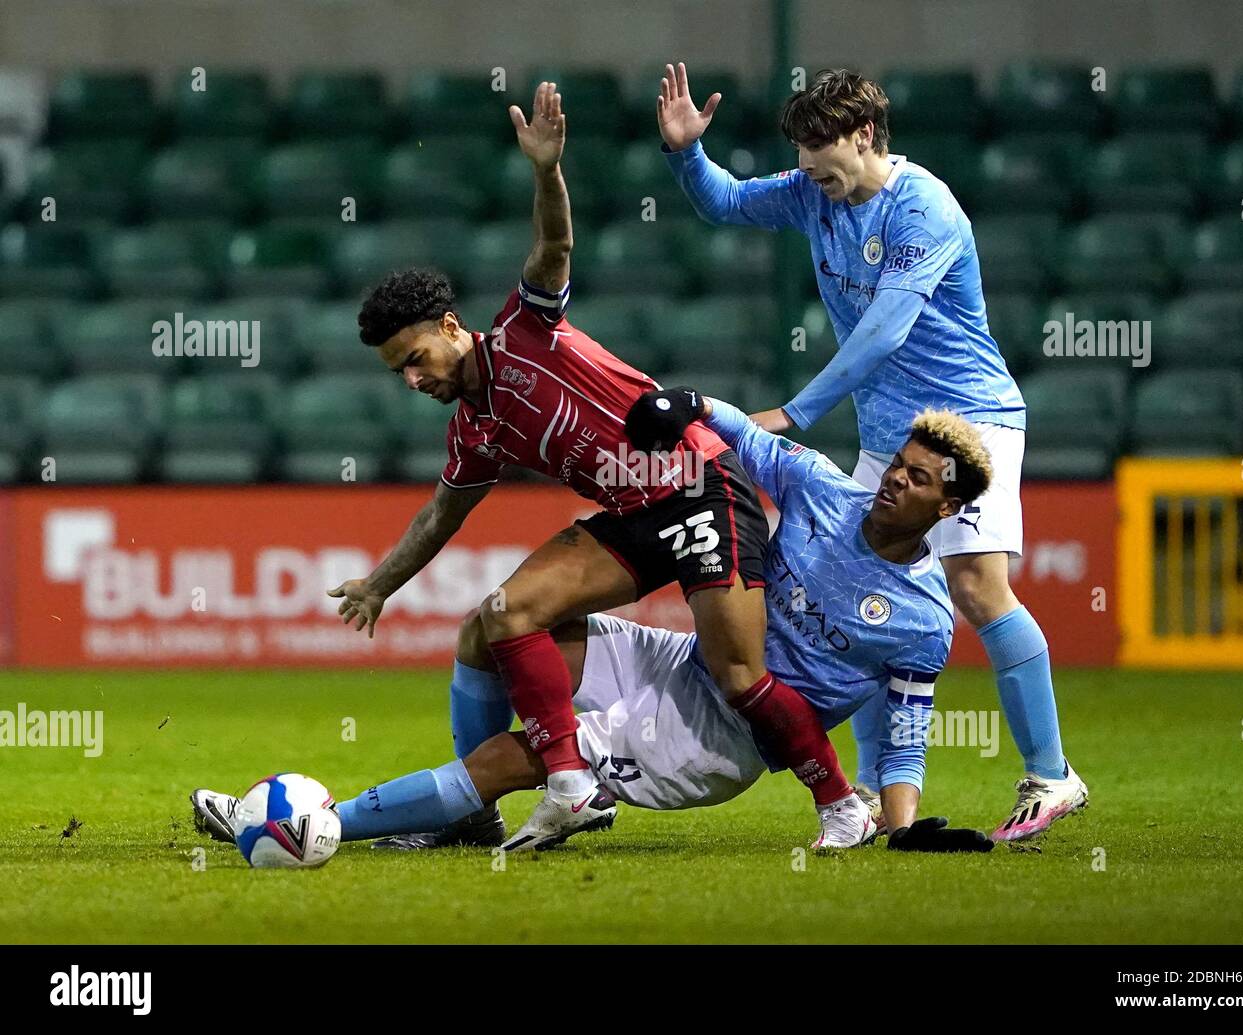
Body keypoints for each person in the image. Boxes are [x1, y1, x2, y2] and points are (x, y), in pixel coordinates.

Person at [326, 81, 869, 851]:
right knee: (502, 615)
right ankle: (560, 786)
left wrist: (547, 170)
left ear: (452, 326)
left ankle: (842, 802)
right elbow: (441, 513)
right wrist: (379, 584)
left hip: (701, 486)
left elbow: (554, 250)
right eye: (399, 375)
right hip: (636, 517)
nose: (414, 381)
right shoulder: (474, 429)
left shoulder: (524, 333)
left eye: (415, 359)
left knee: (738, 674)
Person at [192, 399, 996, 855]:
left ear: (949, 506)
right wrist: (690, 406)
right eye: (897, 462)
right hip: (685, 662)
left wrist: (900, 826)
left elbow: (904, 731)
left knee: (531, 753)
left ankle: (320, 823)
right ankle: (468, 817)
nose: (893, 479)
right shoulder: (828, 492)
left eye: (918, 477)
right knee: (495, 626)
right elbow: (747, 440)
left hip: (720, 740)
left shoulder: (925, 621)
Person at [656, 63, 1087, 841]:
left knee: (979, 589)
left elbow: (885, 329)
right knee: (865, 610)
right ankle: (893, 818)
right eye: (805, 165)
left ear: (865, 135)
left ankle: (1052, 773)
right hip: (888, 434)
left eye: (824, 162)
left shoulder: (924, 207)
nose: (812, 178)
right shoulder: (812, 193)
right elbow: (721, 201)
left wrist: (796, 410)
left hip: (968, 418)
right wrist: (687, 154)